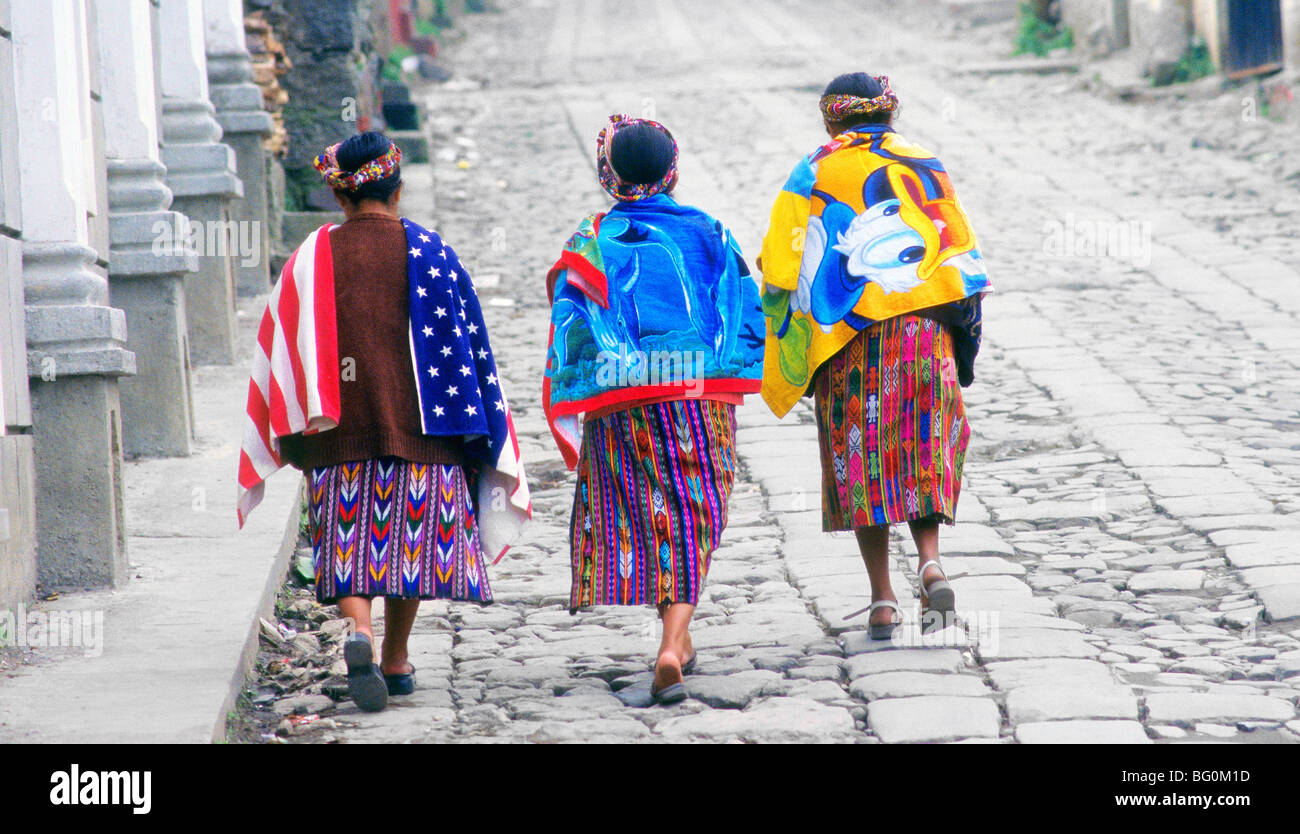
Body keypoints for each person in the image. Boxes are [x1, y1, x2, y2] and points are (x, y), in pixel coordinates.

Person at [237, 131, 530, 712]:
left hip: (339, 436)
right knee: (413, 550)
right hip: (428, 434)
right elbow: (471, 348)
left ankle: (360, 635)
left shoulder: (308, 262)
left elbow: (280, 349)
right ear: (397, 192)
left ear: (341, 201)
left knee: (350, 546)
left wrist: (295, 434)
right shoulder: (433, 253)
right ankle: (395, 658)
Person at [758, 73, 991, 638]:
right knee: (920, 450)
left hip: (849, 343)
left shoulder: (813, 169)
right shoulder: (925, 161)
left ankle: (883, 600)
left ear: (831, 119)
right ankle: (931, 563)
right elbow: (961, 257)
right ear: (889, 113)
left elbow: (780, 265)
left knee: (859, 463)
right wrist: (962, 343)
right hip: (922, 336)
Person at [543, 115, 766, 704]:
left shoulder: (591, 238)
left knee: (645, 512)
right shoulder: (708, 231)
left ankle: (676, 639)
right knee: (694, 512)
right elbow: (743, 306)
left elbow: (571, 324)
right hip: (698, 398)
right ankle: (673, 641)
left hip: (623, 403)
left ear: (607, 174)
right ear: (673, 172)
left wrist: (578, 391)